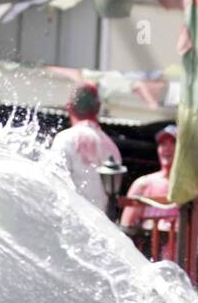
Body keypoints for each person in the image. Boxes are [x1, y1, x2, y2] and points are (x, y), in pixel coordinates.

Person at [50, 82, 122, 211]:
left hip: (73, 221)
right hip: (102, 226)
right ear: (98, 107)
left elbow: (55, 184)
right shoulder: (112, 148)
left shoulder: (65, 139)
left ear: (69, 107)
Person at [120, 125, 180, 261]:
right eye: (162, 144)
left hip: (181, 262)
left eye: (173, 143)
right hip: (149, 257)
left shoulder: (191, 187)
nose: (167, 148)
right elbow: (126, 227)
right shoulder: (143, 184)